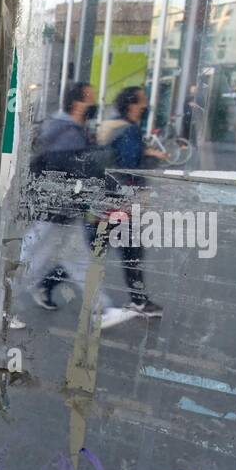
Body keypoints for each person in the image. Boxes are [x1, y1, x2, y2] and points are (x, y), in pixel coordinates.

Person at [22, 81, 136, 330]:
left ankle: (101, 310)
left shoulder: (66, 128)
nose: (95, 104)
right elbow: (77, 170)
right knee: (32, 257)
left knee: (77, 260)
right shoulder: (66, 133)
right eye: (90, 99)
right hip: (57, 210)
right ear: (77, 104)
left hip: (63, 209)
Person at [95, 86, 165, 318]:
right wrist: (151, 160)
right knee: (126, 251)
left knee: (116, 250)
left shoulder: (114, 125)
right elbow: (129, 167)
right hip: (122, 200)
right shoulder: (129, 131)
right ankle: (139, 301)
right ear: (131, 105)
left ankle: (140, 301)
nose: (145, 106)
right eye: (141, 101)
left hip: (110, 197)